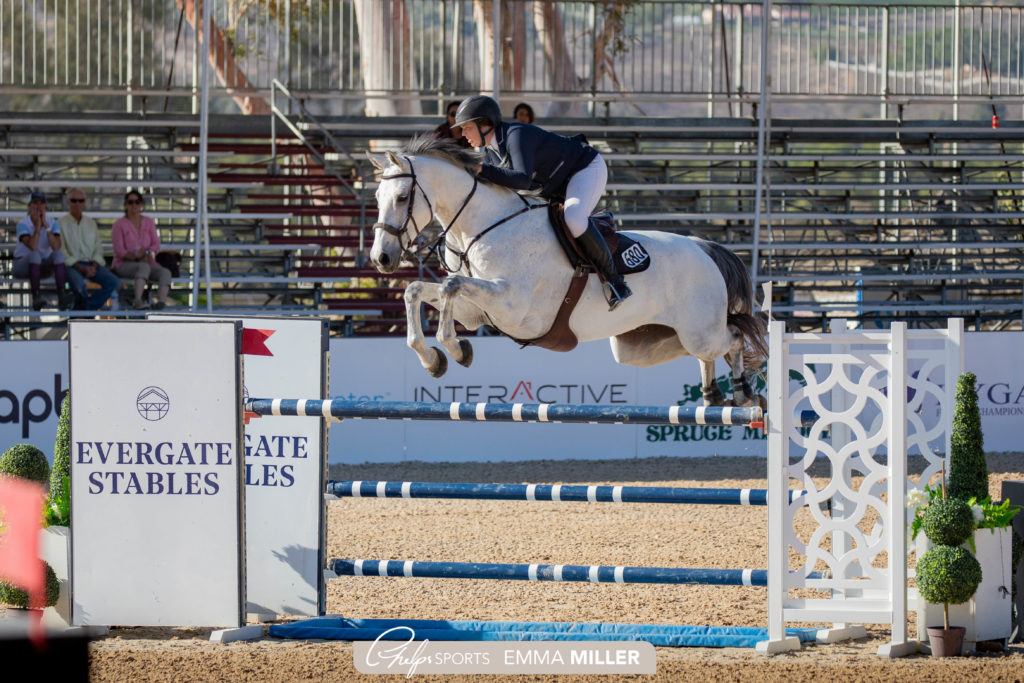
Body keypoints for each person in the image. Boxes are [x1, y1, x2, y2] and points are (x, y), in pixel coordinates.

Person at [454, 95, 631, 310]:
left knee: (574, 218)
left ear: (485, 124)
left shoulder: (515, 135)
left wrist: (483, 169)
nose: (462, 134)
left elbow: (522, 179)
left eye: (467, 128)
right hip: (552, 186)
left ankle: (615, 282)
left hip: (584, 169)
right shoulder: (487, 151)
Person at [57, 188, 121, 311]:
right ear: (68, 202)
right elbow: (62, 251)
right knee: (79, 287)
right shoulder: (60, 223)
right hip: (72, 265)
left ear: (84, 202)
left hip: (92, 264)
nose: (77, 204)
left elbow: (98, 247)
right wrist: (80, 267)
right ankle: (85, 310)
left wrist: (94, 265)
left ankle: (85, 308)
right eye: (74, 200)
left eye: (80, 201)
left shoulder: (91, 223)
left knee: (115, 283)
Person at [111, 190, 172, 310]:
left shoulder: (148, 222)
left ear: (141, 204)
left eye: (137, 202)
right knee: (143, 267)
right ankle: (137, 301)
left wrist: (148, 253)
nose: (134, 205)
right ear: (126, 205)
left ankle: (161, 303)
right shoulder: (118, 225)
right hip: (124, 264)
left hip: (147, 261)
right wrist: (136, 256)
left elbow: (155, 244)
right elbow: (119, 250)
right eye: (130, 202)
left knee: (165, 273)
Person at [13, 190, 70, 310]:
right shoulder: (23, 223)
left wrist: (47, 228)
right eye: (35, 203)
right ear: (29, 206)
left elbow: (56, 247)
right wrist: (38, 226)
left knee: (58, 255)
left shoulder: (52, 223)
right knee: (35, 254)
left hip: (43, 266)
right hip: (23, 265)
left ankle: (62, 296)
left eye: (42, 203)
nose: (39, 206)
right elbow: (33, 246)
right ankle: (36, 297)